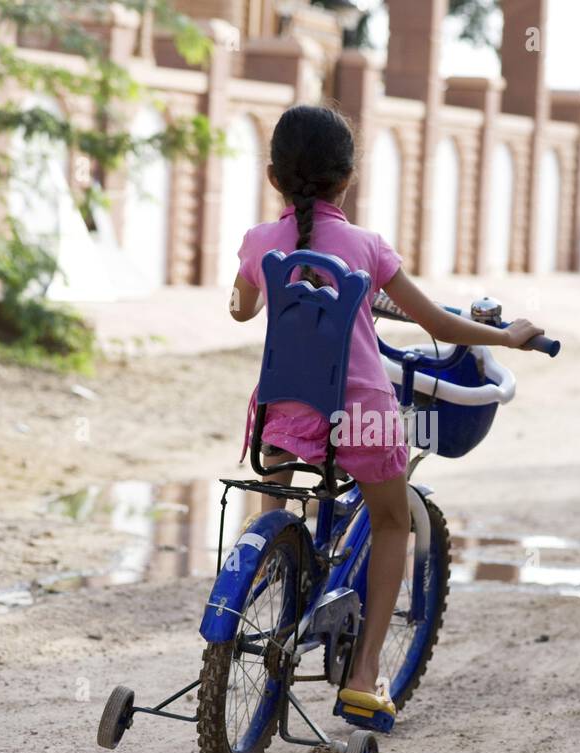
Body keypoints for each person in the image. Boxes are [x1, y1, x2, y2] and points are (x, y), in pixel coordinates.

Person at [228, 104, 542, 719]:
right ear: (349, 178)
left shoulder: (259, 244)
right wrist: (507, 337)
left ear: (273, 177)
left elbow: (241, 311)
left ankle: (280, 561)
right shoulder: (369, 248)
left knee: (281, 476)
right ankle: (366, 674)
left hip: (280, 415)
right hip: (363, 417)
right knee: (393, 520)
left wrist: (251, 287)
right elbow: (434, 323)